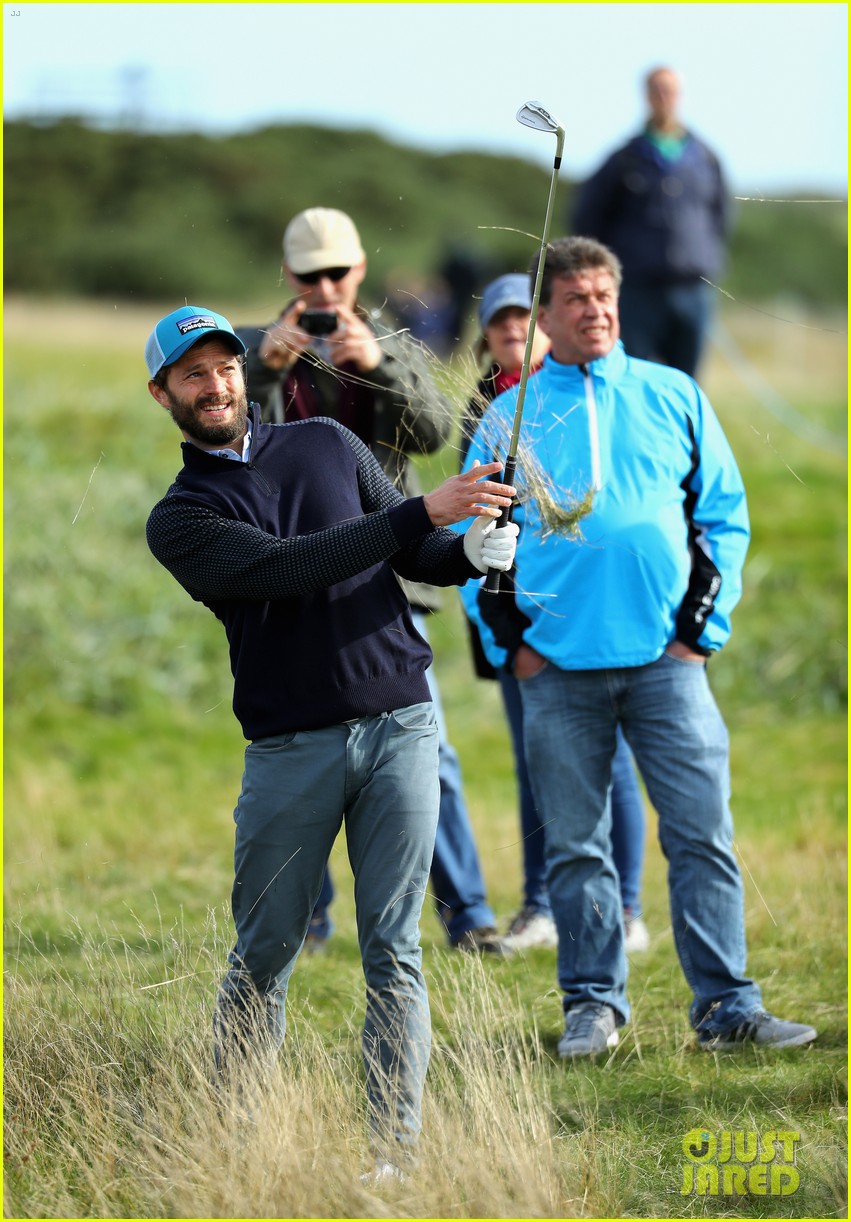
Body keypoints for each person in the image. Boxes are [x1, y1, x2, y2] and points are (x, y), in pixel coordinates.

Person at [143, 304, 518, 1174]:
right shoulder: (180, 517)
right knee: (265, 951)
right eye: (191, 374)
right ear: (162, 392)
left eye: (224, 366)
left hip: (401, 724)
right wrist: (423, 512)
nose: (215, 384)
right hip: (290, 746)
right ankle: (233, 1136)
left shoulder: (325, 443)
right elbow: (286, 569)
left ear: (244, 372)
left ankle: (393, 1151)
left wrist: (469, 551)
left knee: (395, 947)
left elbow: (411, 555)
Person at [460, 238, 818, 1058]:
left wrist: (700, 632)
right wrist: (512, 645)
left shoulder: (673, 394)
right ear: (544, 316)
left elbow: (721, 518)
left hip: (667, 663)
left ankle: (726, 1008)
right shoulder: (508, 416)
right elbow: (473, 539)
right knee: (575, 848)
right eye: (575, 298)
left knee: (700, 832)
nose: (594, 308)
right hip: (554, 670)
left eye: (603, 294)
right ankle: (593, 1007)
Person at [237, 206, 511, 956]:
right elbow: (236, 447)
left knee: (431, 752)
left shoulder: (392, 337)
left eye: (337, 272)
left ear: (358, 271)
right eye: (309, 274)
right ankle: (310, 920)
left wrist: (379, 363)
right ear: (288, 275)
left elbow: (428, 436)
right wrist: (266, 370)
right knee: (298, 753)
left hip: (391, 572)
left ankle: (467, 915)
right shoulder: (253, 349)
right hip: (292, 577)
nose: (324, 289)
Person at [460, 273, 650, 954]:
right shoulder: (486, 410)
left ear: (545, 323)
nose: (512, 331)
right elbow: (473, 537)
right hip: (520, 629)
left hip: (594, 622)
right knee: (533, 761)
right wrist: (502, 639)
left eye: (523, 319)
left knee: (613, 764)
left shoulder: (574, 399)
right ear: (483, 334)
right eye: (498, 322)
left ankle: (624, 912)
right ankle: (541, 907)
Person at [572, 66, 730, 378]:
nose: (664, 97)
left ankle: (682, 430)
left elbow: (721, 215)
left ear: (680, 96)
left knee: (688, 383)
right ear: (646, 97)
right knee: (631, 375)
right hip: (637, 289)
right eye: (656, 90)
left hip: (692, 290)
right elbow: (587, 216)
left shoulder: (706, 157)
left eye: (670, 90)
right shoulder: (623, 158)